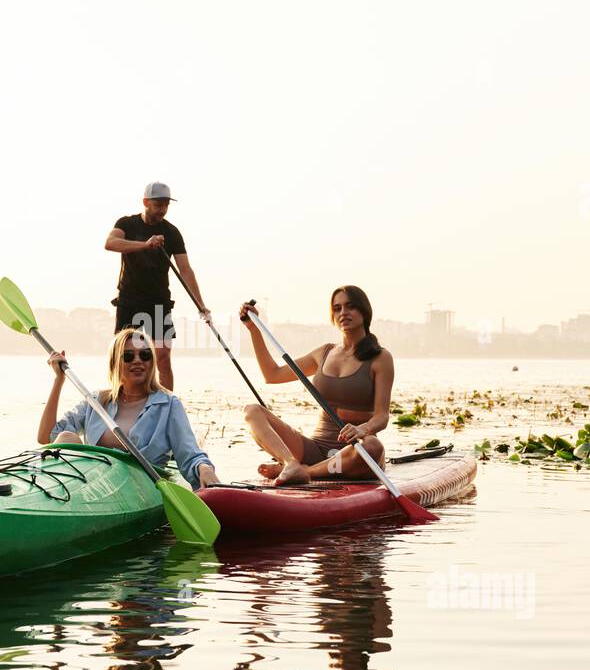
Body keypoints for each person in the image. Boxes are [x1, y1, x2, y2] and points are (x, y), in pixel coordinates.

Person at [239, 286, 393, 486]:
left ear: (364, 312)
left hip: (356, 453)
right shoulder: (324, 353)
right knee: (252, 411)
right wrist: (254, 329)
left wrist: (364, 429)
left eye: (350, 306)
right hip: (315, 450)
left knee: (373, 446)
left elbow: (382, 416)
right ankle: (290, 464)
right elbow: (272, 374)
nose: (343, 313)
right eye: (337, 308)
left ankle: (306, 472)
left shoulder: (380, 358)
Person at [37, 327, 220, 489]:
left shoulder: (169, 405)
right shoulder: (96, 401)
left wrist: (205, 469)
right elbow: (46, 437)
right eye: (129, 356)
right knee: (67, 437)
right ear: (115, 363)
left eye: (145, 355)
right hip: (94, 484)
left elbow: (189, 453)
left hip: (140, 487)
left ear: (152, 362)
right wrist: (58, 381)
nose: (138, 361)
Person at [103, 181, 209, 391]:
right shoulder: (127, 224)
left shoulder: (171, 233)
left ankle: (167, 404)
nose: (162, 209)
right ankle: (119, 399)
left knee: (162, 357)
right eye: (158, 204)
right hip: (129, 301)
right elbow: (110, 243)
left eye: (166, 205)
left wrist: (201, 305)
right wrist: (145, 244)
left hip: (158, 302)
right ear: (145, 202)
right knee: (123, 355)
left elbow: (185, 269)